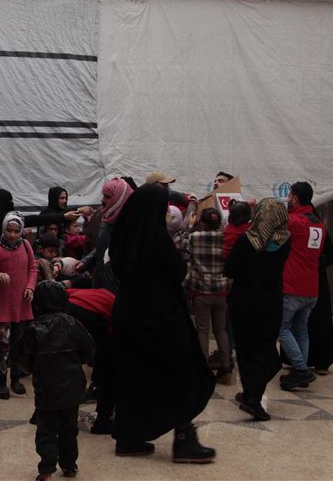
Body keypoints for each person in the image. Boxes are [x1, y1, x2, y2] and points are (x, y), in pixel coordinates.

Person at [109, 184, 215, 463]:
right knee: (183, 373)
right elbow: (177, 271)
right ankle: (184, 439)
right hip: (159, 317)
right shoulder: (156, 237)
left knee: (135, 376)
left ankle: (128, 437)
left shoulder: (123, 234)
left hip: (129, 313)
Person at [14, 281, 94, 481]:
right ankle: (69, 466)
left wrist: (36, 368)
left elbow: (23, 360)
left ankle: (46, 471)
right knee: (69, 429)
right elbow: (89, 351)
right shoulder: (74, 324)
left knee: (47, 431)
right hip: (72, 388)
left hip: (46, 389)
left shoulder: (34, 328)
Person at [224, 199, 292, 421]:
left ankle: (252, 397)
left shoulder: (247, 240)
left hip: (244, 301)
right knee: (265, 347)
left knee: (245, 348)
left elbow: (230, 269)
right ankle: (251, 394)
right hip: (271, 302)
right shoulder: (285, 241)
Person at [279, 182, 330, 391]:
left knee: (282, 328)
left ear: (296, 198)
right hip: (311, 286)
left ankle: (301, 369)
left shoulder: (294, 222)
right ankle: (301, 368)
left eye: (289, 195)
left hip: (293, 285)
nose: (287, 199)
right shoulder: (319, 224)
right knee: (301, 330)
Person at [0, 213, 36, 400]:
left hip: (22, 304)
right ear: (3, 229)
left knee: (18, 344)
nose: (12, 234)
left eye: (16, 231)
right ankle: (1, 382)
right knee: (3, 346)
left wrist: (30, 287)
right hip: (3, 305)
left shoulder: (25, 245)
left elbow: (32, 268)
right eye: (9, 230)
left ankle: (15, 378)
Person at [185, 208, 233, 385]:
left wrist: (190, 226)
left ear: (203, 223)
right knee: (221, 329)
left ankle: (203, 367)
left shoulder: (195, 237)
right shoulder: (225, 237)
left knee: (203, 329)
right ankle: (225, 367)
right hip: (222, 289)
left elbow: (184, 250)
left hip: (201, 290)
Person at [64, 287, 117, 435]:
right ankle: (103, 421)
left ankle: (43, 415)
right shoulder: (120, 306)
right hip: (94, 316)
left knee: (62, 362)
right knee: (110, 370)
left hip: (70, 308)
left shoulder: (103, 293)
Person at [79, 178, 132, 293]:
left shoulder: (130, 223)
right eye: (103, 195)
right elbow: (102, 246)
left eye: (107, 196)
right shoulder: (106, 217)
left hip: (119, 286)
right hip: (102, 280)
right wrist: (85, 262)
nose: (102, 200)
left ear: (119, 199)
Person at [304, 210, 333, 375]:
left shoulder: (312, 226)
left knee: (314, 320)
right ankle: (303, 360)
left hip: (314, 281)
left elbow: (330, 254)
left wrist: (315, 264)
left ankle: (317, 361)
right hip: (310, 279)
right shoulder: (315, 225)